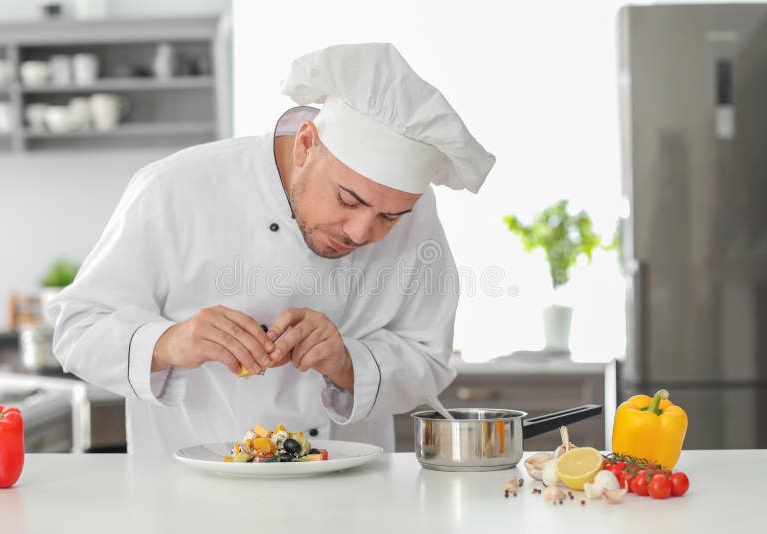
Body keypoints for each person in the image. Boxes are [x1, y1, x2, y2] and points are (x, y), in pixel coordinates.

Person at [48, 43, 495, 459]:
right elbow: (77, 330)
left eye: (389, 217)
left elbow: (428, 358)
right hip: (191, 499)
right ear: (305, 145)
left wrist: (347, 362)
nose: (362, 232)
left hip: (347, 498)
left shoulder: (414, 212)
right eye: (347, 200)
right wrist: (170, 342)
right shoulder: (176, 187)